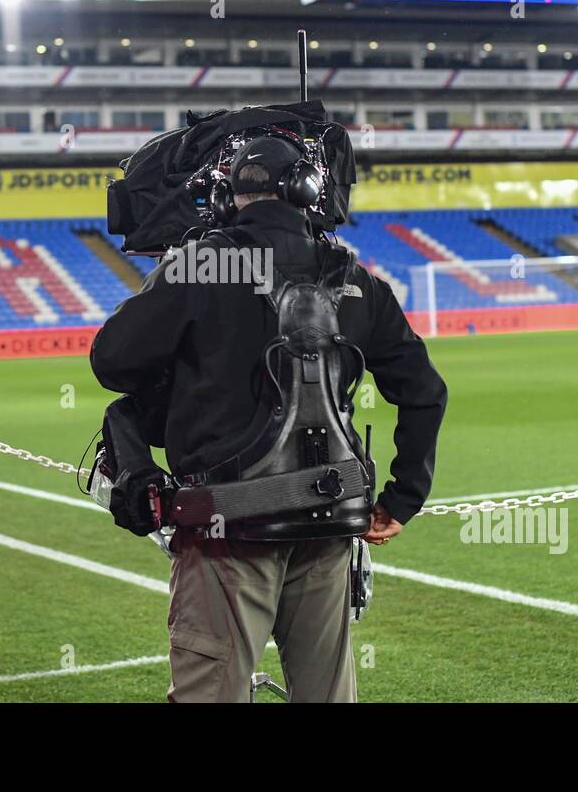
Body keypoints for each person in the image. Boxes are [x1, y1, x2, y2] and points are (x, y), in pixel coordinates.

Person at [90, 136, 448, 703]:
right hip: (330, 524)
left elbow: (110, 362)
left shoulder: (199, 267)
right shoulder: (356, 277)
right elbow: (426, 392)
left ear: (231, 195)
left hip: (226, 531)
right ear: (308, 190)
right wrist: (402, 498)